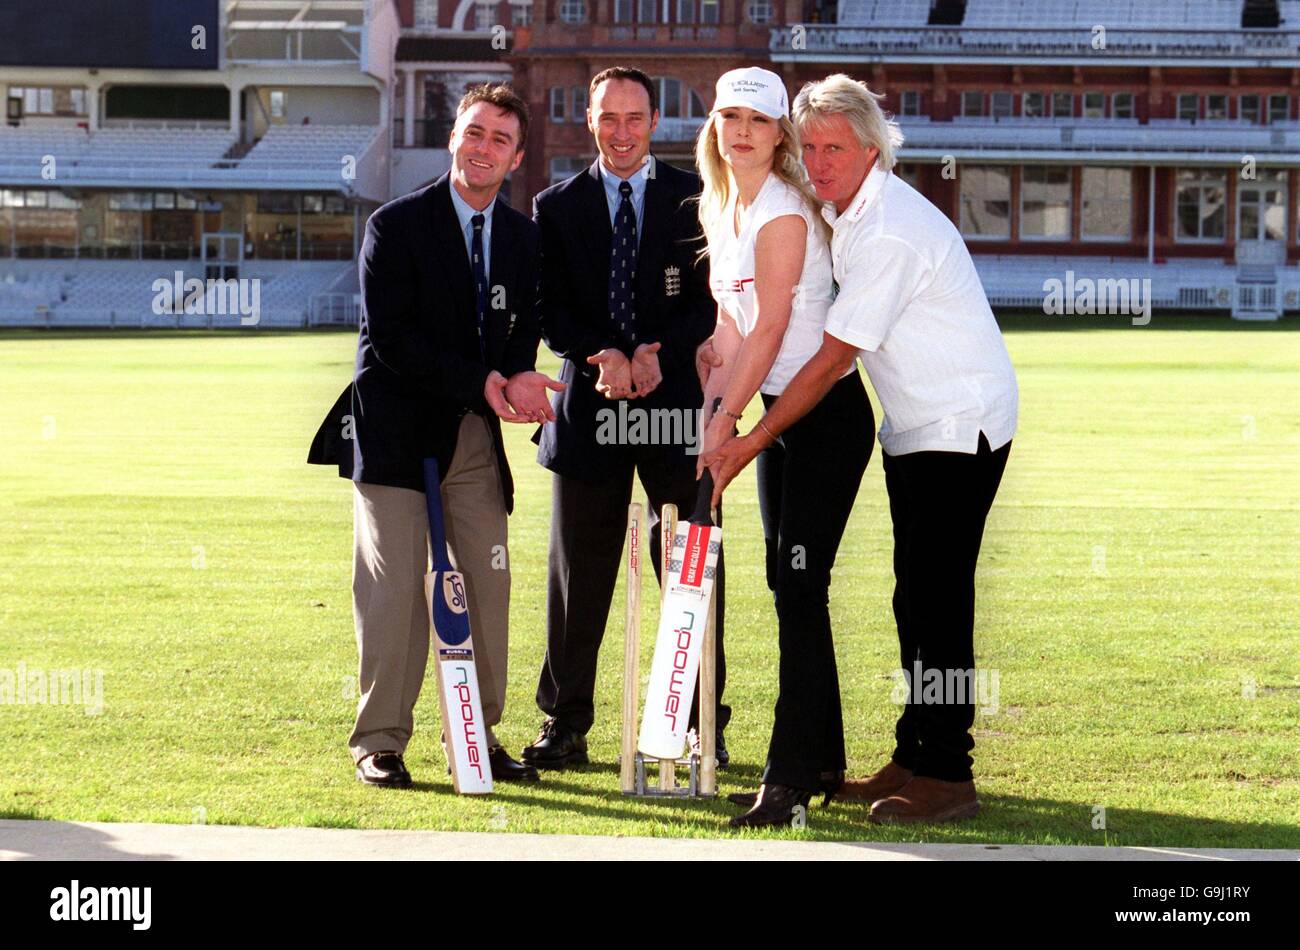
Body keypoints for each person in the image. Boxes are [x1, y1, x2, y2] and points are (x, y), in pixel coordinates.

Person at [703, 74, 1019, 824]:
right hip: (913, 426)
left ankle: (949, 774)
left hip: (959, 422)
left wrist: (750, 437)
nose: (820, 162)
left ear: (873, 147)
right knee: (914, 594)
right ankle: (915, 755)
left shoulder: (886, 228)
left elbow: (827, 360)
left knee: (938, 599)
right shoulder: (842, 210)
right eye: (810, 147)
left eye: (835, 147)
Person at [308, 83, 563, 788]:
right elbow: (390, 339)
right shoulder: (395, 225)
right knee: (395, 592)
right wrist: (482, 379)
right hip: (393, 434)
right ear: (455, 137)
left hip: (471, 439)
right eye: (474, 133)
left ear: (515, 158)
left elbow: (520, 332)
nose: (483, 149)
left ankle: (474, 737)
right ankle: (380, 740)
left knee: (486, 580)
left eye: (500, 141)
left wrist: (517, 377)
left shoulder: (521, 237)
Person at [521, 66, 729, 770]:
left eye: (633, 118)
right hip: (591, 413)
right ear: (589, 120)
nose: (621, 132)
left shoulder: (696, 198)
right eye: (607, 118)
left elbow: (712, 301)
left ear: (655, 122)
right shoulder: (555, 206)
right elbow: (548, 309)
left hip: (674, 413)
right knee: (578, 577)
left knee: (689, 570)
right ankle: (565, 724)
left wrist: (658, 355)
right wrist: (600, 353)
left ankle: (703, 721)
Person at [691, 67, 874, 829]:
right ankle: (822, 759)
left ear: (779, 135)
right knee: (787, 583)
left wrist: (726, 424)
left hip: (823, 416)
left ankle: (789, 777)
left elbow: (770, 329)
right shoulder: (719, 202)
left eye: (757, 121)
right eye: (729, 117)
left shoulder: (785, 213)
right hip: (776, 410)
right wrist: (711, 411)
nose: (741, 131)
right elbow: (731, 329)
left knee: (798, 588)